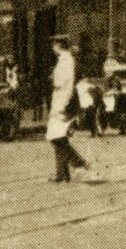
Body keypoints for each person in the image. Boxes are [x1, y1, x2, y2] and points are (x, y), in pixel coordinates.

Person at [47, 34, 99, 183]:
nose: (53, 48)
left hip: (64, 101)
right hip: (60, 100)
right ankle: (62, 174)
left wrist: (64, 103)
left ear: (58, 46)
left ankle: (80, 162)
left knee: (55, 137)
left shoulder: (67, 60)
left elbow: (69, 84)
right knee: (59, 136)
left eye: (54, 45)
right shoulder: (63, 59)